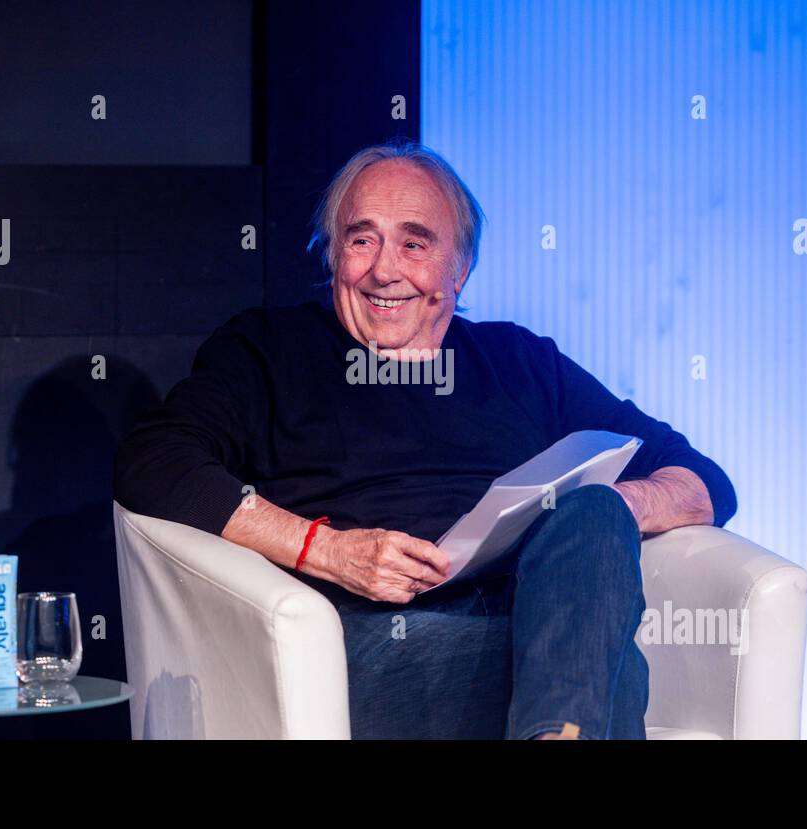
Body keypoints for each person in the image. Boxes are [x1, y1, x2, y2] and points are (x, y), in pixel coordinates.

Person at [114, 139, 736, 739]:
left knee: (598, 511)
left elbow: (703, 480)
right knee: (612, 671)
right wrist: (327, 550)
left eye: (415, 244)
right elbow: (154, 462)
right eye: (362, 240)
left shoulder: (518, 360)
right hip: (368, 640)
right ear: (333, 254)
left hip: (533, 619)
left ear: (459, 268)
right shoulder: (269, 350)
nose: (384, 270)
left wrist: (605, 509)